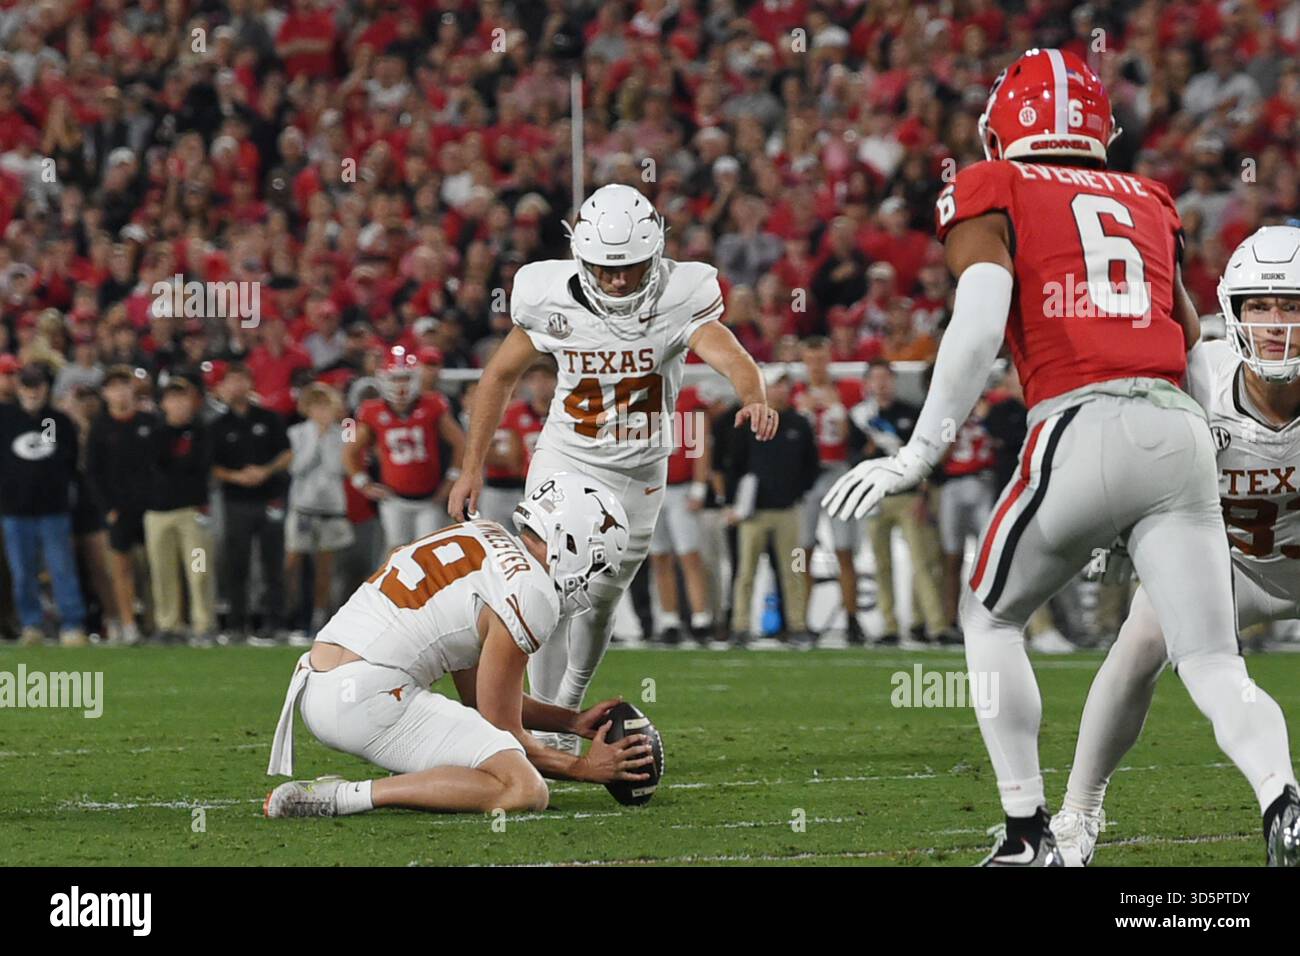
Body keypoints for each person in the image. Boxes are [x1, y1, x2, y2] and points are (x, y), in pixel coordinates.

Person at [824, 49, 1300, 866]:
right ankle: (1282, 797)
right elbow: (1190, 346)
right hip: (1179, 429)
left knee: (988, 616)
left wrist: (919, 451)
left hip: (1078, 417)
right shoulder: (1148, 197)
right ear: (1099, 128)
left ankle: (1027, 831)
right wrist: (1175, 477)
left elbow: (978, 320)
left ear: (1002, 125)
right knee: (1213, 661)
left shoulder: (991, 185)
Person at [447, 184, 774, 754]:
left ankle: (568, 705)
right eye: (606, 268)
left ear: (657, 251)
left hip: (638, 470)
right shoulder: (551, 299)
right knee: (545, 588)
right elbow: (498, 376)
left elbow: (729, 353)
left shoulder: (679, 295)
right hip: (567, 455)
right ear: (581, 255)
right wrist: (471, 466)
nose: (619, 280)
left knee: (599, 601)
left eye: (631, 267)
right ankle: (541, 734)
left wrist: (754, 396)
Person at [1053, 226, 1300, 866]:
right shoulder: (1198, 379)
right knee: (1139, 643)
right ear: (1234, 313)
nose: (1276, 324)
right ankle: (1078, 815)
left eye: (1294, 306)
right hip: (1225, 566)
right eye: (1261, 307)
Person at [263, 473, 654, 817]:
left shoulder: (481, 533)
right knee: (523, 788)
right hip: (369, 700)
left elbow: (480, 701)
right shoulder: (531, 592)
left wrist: (570, 721)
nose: (588, 578)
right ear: (570, 543)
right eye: (594, 563)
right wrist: (582, 768)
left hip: (321, 683)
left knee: (494, 760)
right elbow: (503, 729)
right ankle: (342, 797)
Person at [848, 360, 950, 645]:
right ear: (867, 383)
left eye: (885, 378)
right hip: (877, 497)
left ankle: (935, 625)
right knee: (881, 565)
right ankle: (889, 625)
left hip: (908, 496)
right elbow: (852, 460)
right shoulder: (859, 418)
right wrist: (865, 454)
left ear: (893, 382)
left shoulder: (911, 413)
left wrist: (922, 493)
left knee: (923, 562)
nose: (881, 384)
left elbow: (926, 456)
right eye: (875, 378)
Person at [726, 367, 820, 646]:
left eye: (784, 385)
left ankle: (797, 624)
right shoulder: (749, 421)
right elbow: (735, 465)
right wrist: (734, 502)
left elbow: (811, 466)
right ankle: (740, 625)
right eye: (775, 385)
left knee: (794, 570)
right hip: (753, 513)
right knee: (745, 572)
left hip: (788, 512)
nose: (780, 390)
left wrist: (795, 492)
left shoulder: (800, 423)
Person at [0, 362, 86, 646]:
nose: (32, 391)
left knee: (61, 568)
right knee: (23, 572)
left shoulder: (57, 421)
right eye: (26, 385)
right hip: (15, 510)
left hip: (52, 509)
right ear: (18, 388)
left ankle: (72, 624)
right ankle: (31, 624)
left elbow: (64, 461)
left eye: (36, 385)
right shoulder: (5, 418)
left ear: (45, 388)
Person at [346, 345, 465, 550]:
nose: (401, 385)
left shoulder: (434, 404)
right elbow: (350, 450)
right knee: (396, 552)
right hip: (394, 498)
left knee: (428, 553)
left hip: (431, 498)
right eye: (395, 378)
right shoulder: (371, 411)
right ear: (383, 379)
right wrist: (362, 483)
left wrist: (452, 480)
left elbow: (460, 442)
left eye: (405, 378)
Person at [210, 363, 293, 645]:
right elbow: (210, 466)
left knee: (273, 564)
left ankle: (276, 623)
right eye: (230, 381)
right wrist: (236, 476)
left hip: (270, 499)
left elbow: (286, 453)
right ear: (222, 388)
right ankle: (236, 625)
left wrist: (265, 471)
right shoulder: (217, 426)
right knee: (236, 565)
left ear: (249, 383)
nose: (235, 386)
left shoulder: (269, 418)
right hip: (236, 502)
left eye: (240, 379)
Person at [792, 337, 866, 644]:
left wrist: (840, 412)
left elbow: (861, 435)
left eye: (821, 359)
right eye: (811, 360)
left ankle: (852, 619)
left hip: (838, 471)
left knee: (844, 550)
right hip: (806, 476)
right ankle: (800, 620)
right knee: (802, 550)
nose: (817, 366)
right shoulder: (796, 394)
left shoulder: (847, 391)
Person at [86, 366, 157, 646]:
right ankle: (128, 624)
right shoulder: (100, 428)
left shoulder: (149, 422)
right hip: (118, 510)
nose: (119, 391)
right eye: (113, 386)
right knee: (122, 569)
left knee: (153, 569)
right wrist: (107, 509)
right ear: (105, 393)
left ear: (132, 388)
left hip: (150, 508)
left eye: (123, 385)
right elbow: (92, 472)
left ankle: (155, 622)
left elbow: (160, 465)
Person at [145, 375, 216, 646]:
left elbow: (197, 466)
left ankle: (203, 625)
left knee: (199, 571)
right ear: (164, 403)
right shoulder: (155, 433)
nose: (178, 404)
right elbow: (157, 467)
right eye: (173, 398)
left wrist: (176, 468)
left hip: (192, 514)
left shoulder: (202, 432)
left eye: (183, 397)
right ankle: (168, 625)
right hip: (158, 513)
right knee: (163, 572)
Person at [284, 383, 353, 644]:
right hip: (302, 506)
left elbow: (339, 468)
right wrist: (317, 439)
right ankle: (292, 615)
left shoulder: (346, 431)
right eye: (317, 406)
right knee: (293, 563)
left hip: (332, 507)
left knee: (325, 568)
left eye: (326, 405)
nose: (322, 411)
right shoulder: (297, 432)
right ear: (308, 409)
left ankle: (318, 618)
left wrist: (327, 439)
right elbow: (297, 468)